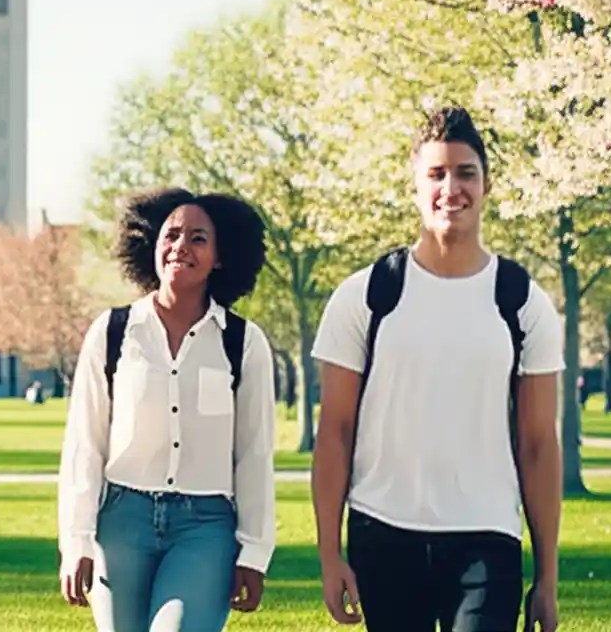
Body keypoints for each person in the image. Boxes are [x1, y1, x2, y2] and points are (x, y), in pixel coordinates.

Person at [311, 107, 564, 632]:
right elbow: (334, 432)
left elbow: (538, 443)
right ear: (415, 187)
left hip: (487, 538)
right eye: (436, 174)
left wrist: (547, 576)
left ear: (487, 184)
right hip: (382, 533)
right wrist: (330, 554)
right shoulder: (365, 295)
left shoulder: (521, 302)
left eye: (465, 172)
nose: (452, 187)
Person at [57, 188, 277, 632]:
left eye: (198, 238)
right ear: (151, 247)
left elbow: (254, 455)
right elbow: (85, 444)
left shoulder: (242, 343)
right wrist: (76, 541)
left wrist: (254, 552)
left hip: (205, 528)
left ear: (219, 256)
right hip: (122, 522)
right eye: (171, 235)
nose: (180, 247)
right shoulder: (114, 333)